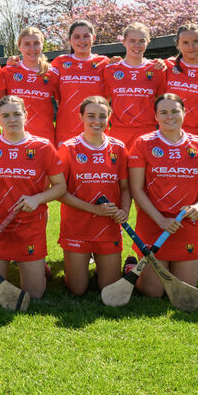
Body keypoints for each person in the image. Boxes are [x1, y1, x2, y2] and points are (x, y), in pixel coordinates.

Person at [128, 94, 198, 298]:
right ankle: (131, 267)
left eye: (175, 111)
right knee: (154, 292)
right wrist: (160, 219)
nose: (170, 116)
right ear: (156, 116)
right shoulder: (143, 143)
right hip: (154, 223)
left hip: (185, 224)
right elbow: (136, 189)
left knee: (184, 291)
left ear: (184, 113)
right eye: (164, 112)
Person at [0, 96, 65, 300]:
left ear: (26, 115)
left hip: (30, 226)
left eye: (17, 114)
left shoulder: (42, 147)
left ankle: (37, 267)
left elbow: (60, 187)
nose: (12, 120)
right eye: (5, 115)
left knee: (34, 294)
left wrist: (38, 199)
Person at [56, 96, 130, 296]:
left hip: (108, 228)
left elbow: (125, 187)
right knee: (77, 290)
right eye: (91, 116)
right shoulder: (68, 148)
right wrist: (93, 209)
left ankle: (115, 266)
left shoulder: (118, 148)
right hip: (77, 227)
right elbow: (59, 192)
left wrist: (124, 210)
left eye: (102, 116)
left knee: (108, 290)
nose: (97, 121)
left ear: (109, 117)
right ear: (80, 116)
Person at [102, 22, 162, 149]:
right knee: (118, 169)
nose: (137, 45)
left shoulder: (157, 69)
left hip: (147, 132)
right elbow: (104, 101)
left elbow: (161, 100)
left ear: (148, 41)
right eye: (132, 40)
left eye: (141, 41)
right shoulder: (111, 69)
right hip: (119, 132)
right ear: (124, 42)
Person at [50, 20, 110, 143]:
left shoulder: (104, 63)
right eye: (77, 37)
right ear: (70, 40)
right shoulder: (59, 62)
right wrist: (15, 63)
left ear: (93, 38)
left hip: (96, 128)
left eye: (86, 36)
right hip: (66, 129)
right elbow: (39, 74)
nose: (82, 41)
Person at [162, 24, 198, 147]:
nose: (191, 47)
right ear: (178, 44)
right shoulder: (166, 66)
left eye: (196, 41)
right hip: (169, 134)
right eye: (185, 42)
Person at [0, 27, 58, 143]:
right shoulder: (8, 72)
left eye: (36, 43)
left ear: (42, 45)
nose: (32, 48)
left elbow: (63, 104)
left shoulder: (53, 73)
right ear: (19, 47)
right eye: (27, 44)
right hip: (14, 137)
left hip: (44, 138)